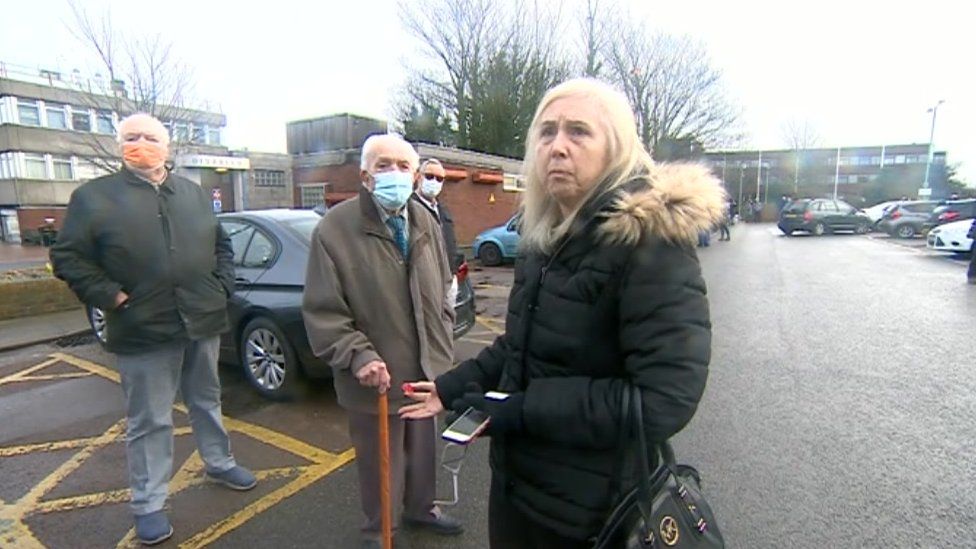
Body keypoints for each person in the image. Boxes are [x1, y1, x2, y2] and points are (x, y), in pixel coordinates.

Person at [399, 78, 723, 548]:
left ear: (616, 148)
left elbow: (664, 399)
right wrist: (449, 388)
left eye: (578, 132)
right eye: (546, 133)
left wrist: (519, 411)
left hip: (591, 513)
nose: (557, 147)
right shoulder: (544, 234)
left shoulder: (650, 244)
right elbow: (521, 345)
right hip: (517, 493)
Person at [50, 113, 255, 546]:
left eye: (150, 137)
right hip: (143, 326)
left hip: (201, 318)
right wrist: (113, 297)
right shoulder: (93, 197)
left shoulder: (194, 194)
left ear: (168, 146)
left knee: (207, 398)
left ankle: (219, 462)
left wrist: (221, 288)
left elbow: (221, 245)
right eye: (130, 137)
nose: (139, 144)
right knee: (149, 419)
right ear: (118, 145)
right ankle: (149, 503)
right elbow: (68, 258)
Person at [302, 134, 462, 549]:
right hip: (376, 373)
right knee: (379, 462)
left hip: (427, 366)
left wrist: (445, 330)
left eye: (403, 166)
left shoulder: (424, 217)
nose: (394, 174)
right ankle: (380, 531)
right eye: (383, 165)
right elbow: (324, 311)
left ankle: (421, 508)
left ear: (414, 174)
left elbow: (442, 284)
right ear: (365, 176)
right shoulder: (334, 229)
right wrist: (359, 356)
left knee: (423, 449)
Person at [412, 158, 460, 305]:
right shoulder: (409, 208)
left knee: (447, 324)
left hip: (449, 280)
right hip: (426, 285)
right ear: (418, 177)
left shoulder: (442, 210)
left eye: (439, 179)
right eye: (429, 176)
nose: (434, 181)